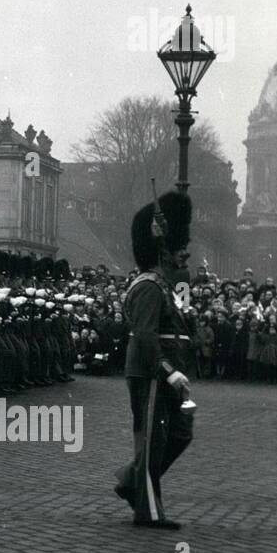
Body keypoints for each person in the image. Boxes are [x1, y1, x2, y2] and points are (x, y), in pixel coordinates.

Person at [114, 191, 195, 530]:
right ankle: (147, 510)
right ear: (163, 249)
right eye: (178, 250)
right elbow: (146, 337)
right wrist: (167, 370)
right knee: (153, 439)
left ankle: (132, 480)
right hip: (151, 372)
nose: (184, 255)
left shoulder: (164, 285)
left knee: (180, 431)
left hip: (165, 371)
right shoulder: (148, 286)